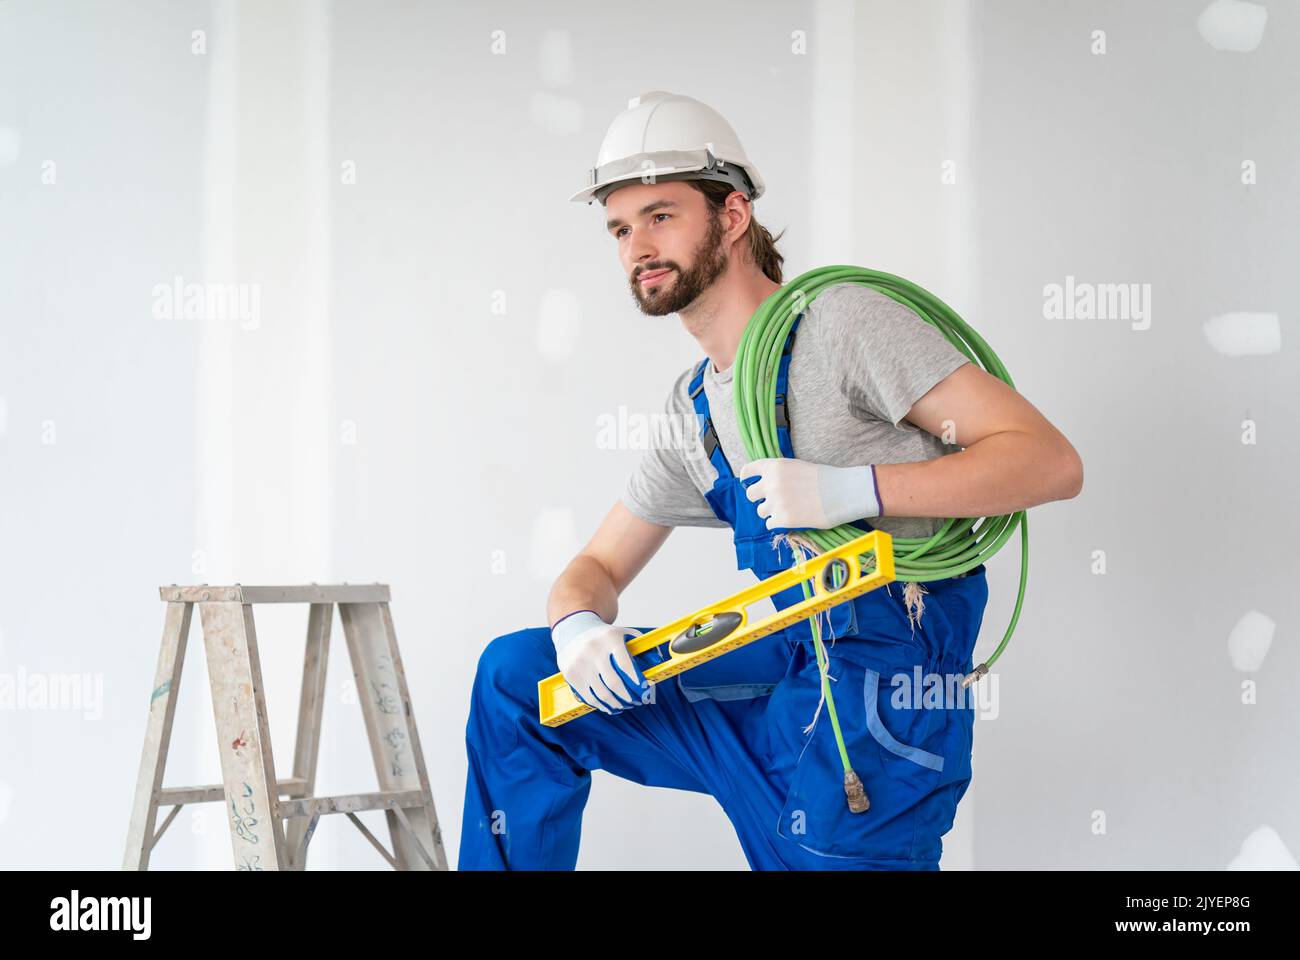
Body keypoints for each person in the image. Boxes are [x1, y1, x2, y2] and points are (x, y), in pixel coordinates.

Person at [459, 91, 1083, 869]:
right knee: (520, 680)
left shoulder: (842, 326)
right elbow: (595, 568)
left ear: (732, 215)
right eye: (620, 228)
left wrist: (856, 490)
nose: (636, 247)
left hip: (870, 724)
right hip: (770, 685)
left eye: (661, 216)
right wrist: (577, 629)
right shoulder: (695, 407)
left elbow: (1048, 461)